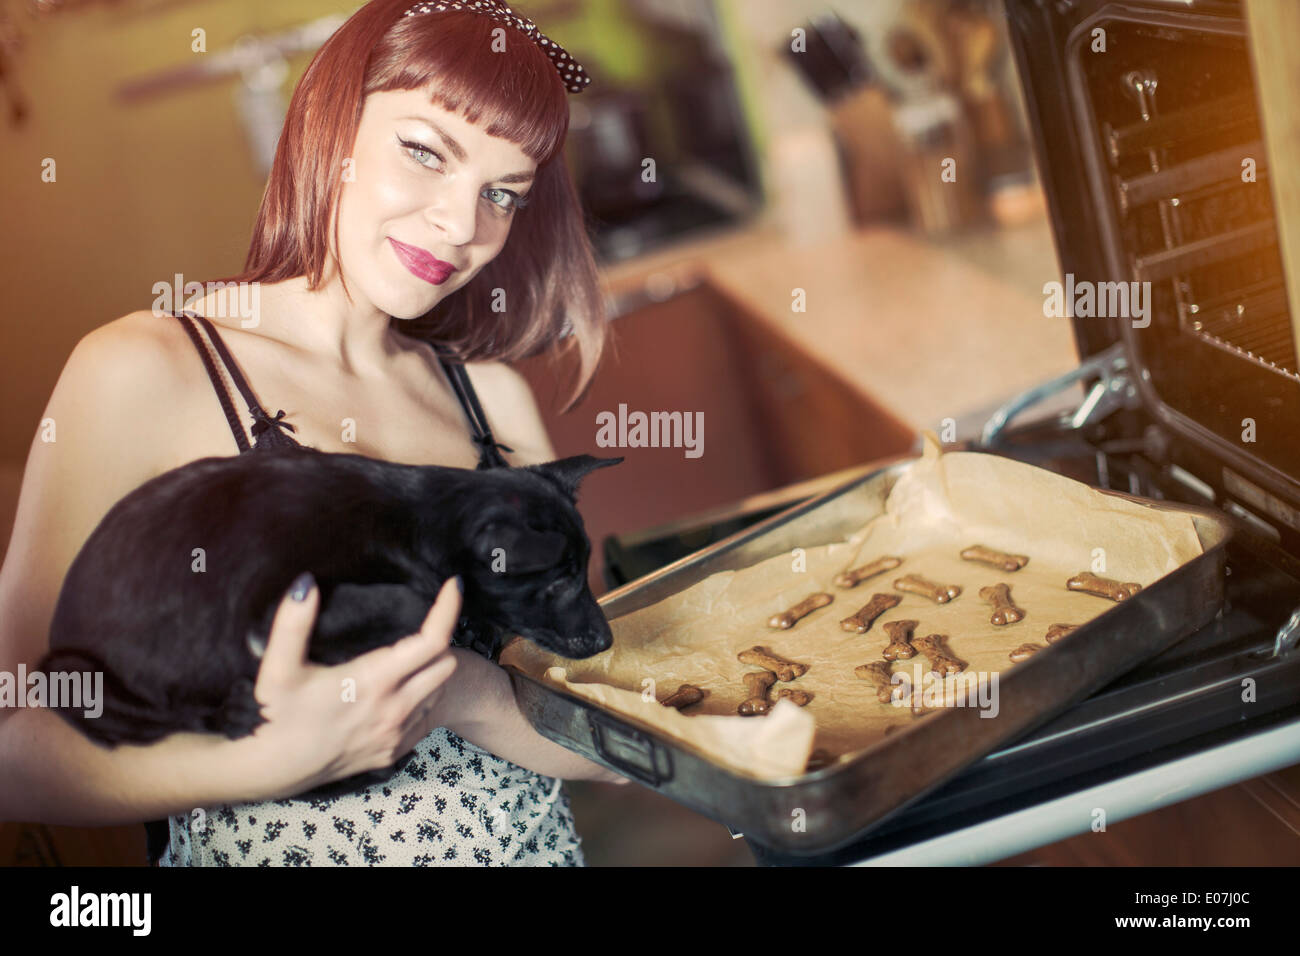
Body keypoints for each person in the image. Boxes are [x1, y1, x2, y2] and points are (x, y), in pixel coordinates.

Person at [0, 0, 628, 866]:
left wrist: (465, 694)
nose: (461, 226)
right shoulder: (147, 370)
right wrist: (259, 759)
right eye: (424, 152)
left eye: (501, 194)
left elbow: (604, 735)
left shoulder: (493, 405)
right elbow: (8, 743)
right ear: (332, 131)